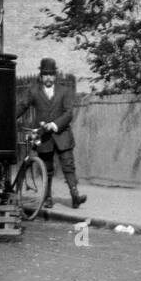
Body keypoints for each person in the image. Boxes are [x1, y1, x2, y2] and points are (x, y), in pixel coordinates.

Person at [17, 57, 87, 210]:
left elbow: (68, 113)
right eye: (45, 74)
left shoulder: (65, 91)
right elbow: (22, 106)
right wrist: (9, 118)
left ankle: (75, 196)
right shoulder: (33, 90)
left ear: (55, 75)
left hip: (62, 134)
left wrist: (55, 124)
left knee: (69, 166)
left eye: (51, 74)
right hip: (44, 137)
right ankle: (47, 198)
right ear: (41, 76)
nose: (48, 78)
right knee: (47, 169)